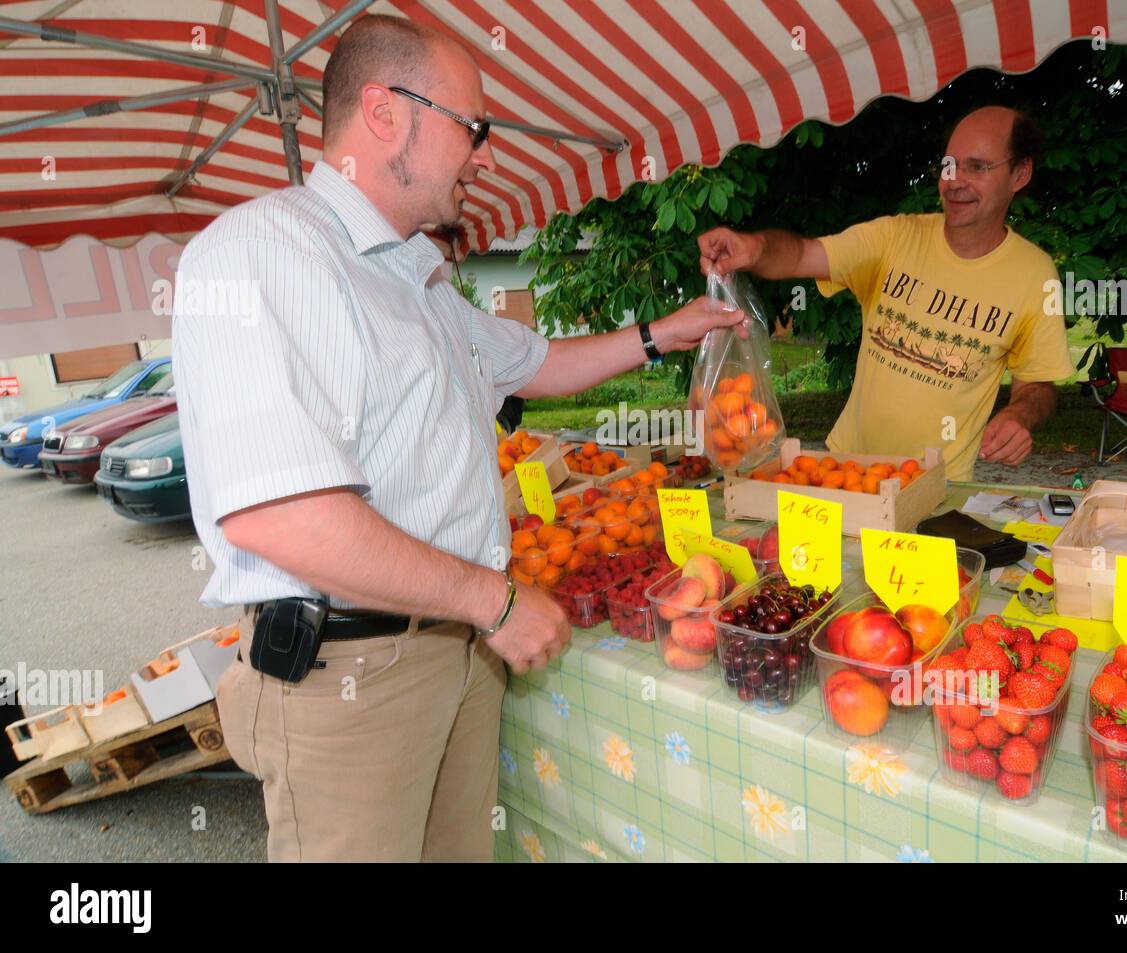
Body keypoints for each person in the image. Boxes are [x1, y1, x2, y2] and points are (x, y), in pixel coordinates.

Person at [172, 15, 742, 863]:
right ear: (384, 111)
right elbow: (282, 517)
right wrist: (499, 602)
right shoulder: (262, 254)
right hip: (351, 677)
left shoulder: (420, 282)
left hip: (456, 653)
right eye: (474, 128)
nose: (486, 155)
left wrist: (669, 331)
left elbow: (540, 363)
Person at [698, 106, 1073, 480]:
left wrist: (1019, 414)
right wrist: (755, 248)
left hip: (936, 487)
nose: (955, 180)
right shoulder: (894, 237)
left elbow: (1037, 384)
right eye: (949, 165)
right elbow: (802, 255)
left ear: (1019, 174)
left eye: (977, 167)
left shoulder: (1034, 276)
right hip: (844, 471)